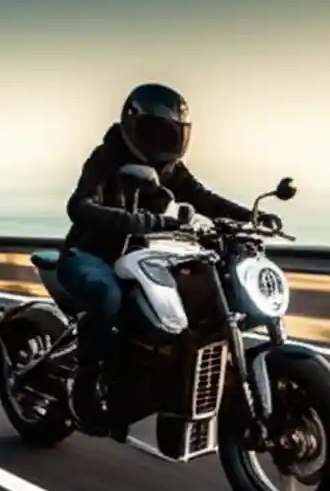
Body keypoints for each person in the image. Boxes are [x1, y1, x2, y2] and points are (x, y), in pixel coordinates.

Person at [59, 82, 279, 431]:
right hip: (90, 254)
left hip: (139, 256)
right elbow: (80, 206)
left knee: (192, 297)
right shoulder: (106, 158)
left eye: (175, 132)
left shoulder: (170, 168)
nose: (168, 140)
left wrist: (249, 218)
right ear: (136, 126)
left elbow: (202, 198)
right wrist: (140, 221)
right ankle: (86, 385)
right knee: (108, 296)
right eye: (161, 131)